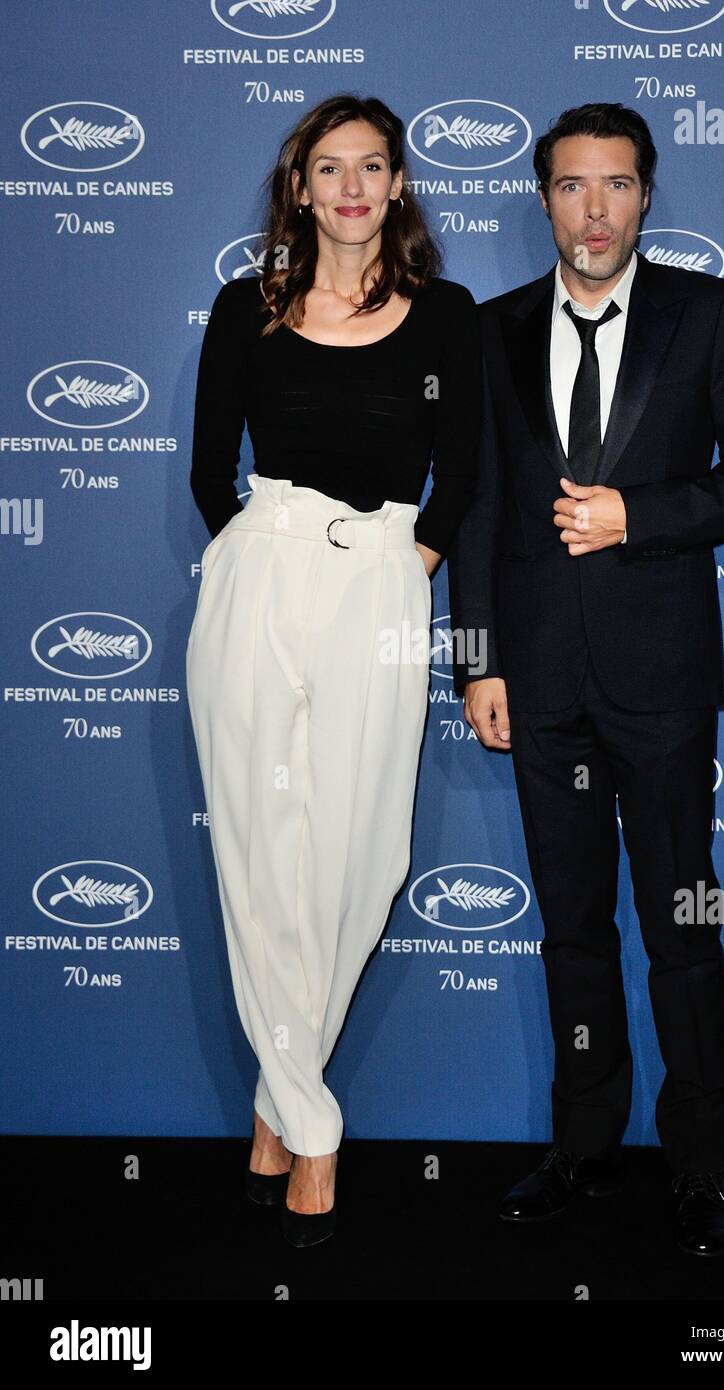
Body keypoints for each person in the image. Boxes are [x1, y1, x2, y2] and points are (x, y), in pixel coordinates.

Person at [447, 102, 724, 1256]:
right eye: (567, 186)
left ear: (646, 195)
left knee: (680, 927)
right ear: (539, 197)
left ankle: (701, 1160)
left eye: (613, 186)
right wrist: (475, 664)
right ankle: (582, 1145)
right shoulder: (493, 331)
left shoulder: (707, 312)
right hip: (536, 683)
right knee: (571, 931)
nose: (590, 210)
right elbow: (481, 509)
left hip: (660, 680)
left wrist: (634, 516)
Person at [185, 93, 481, 1247]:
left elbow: (460, 466)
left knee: (364, 853)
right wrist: (259, 554)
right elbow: (214, 471)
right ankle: (309, 1133)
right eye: (328, 168)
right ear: (297, 187)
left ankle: (275, 1101)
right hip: (261, 575)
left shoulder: (445, 314)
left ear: (397, 186)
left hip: (383, 584)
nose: (351, 187)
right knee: (260, 852)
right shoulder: (242, 311)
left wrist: (400, 561)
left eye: (372, 167)